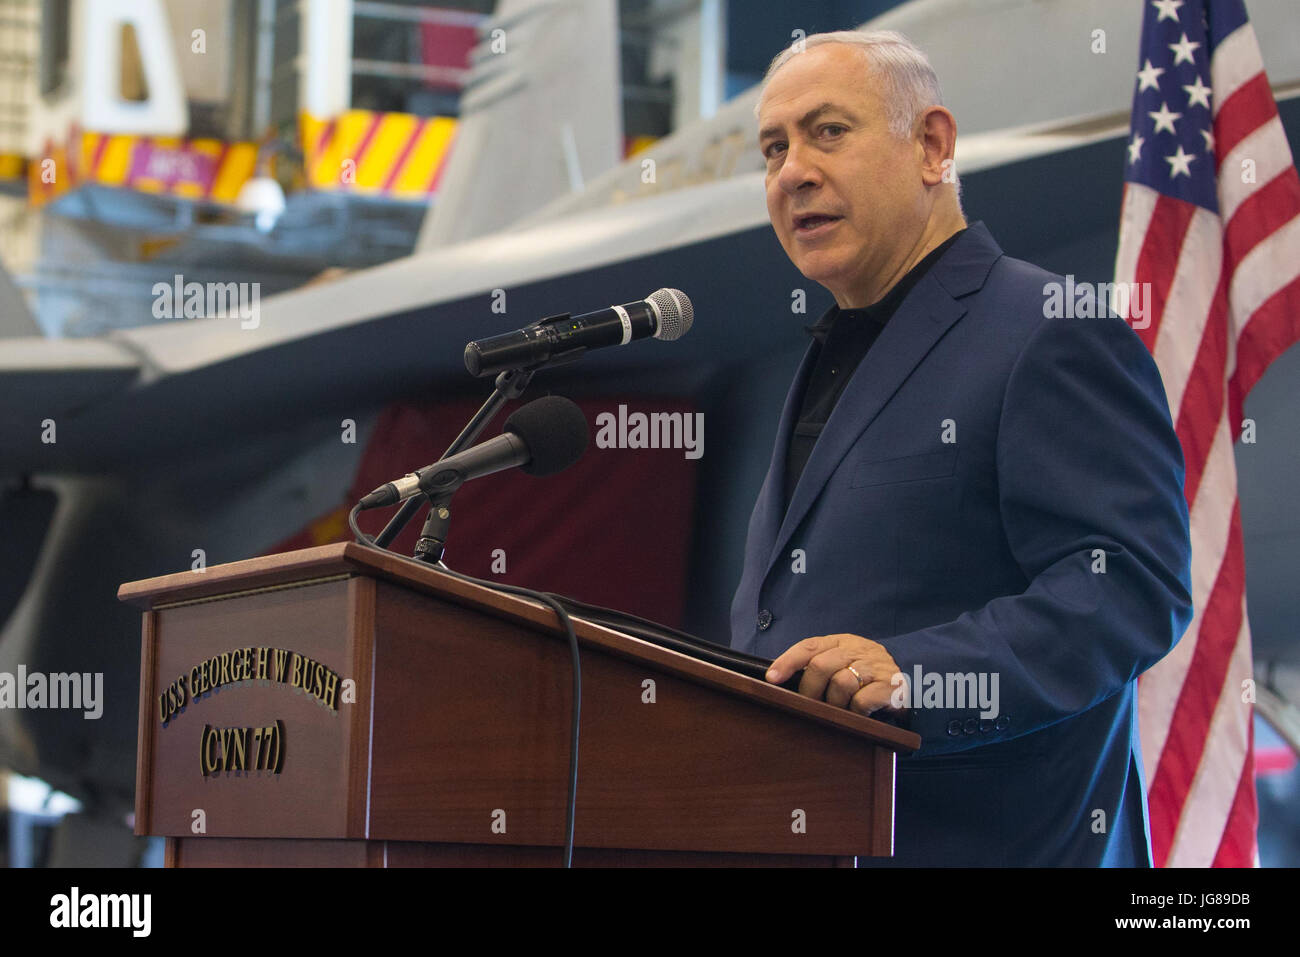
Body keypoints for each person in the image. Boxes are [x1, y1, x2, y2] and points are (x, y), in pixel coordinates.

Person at [730, 29, 1193, 866]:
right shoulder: (831, 354)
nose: (791, 170)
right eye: (773, 148)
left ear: (933, 146)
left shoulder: (1051, 327)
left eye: (827, 131)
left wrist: (913, 674)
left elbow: (1129, 587)